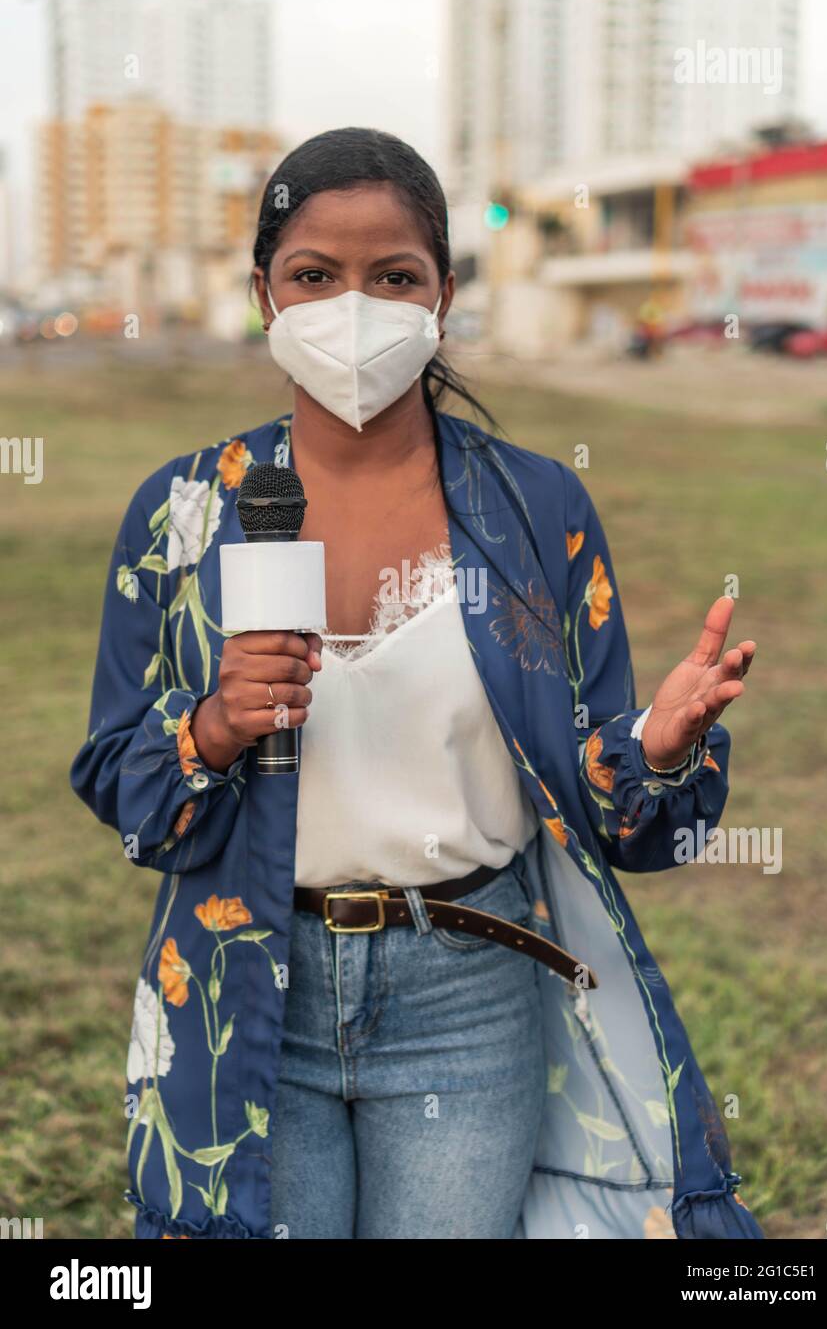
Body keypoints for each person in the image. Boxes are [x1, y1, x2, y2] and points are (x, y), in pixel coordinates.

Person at [70, 127, 762, 1240]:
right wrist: (207, 727)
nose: (354, 306)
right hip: (249, 987)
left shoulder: (537, 514)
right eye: (313, 274)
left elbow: (615, 812)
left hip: (469, 992)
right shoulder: (183, 512)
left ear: (441, 298)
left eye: (393, 276)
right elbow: (123, 788)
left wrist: (660, 749)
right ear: (263, 295)